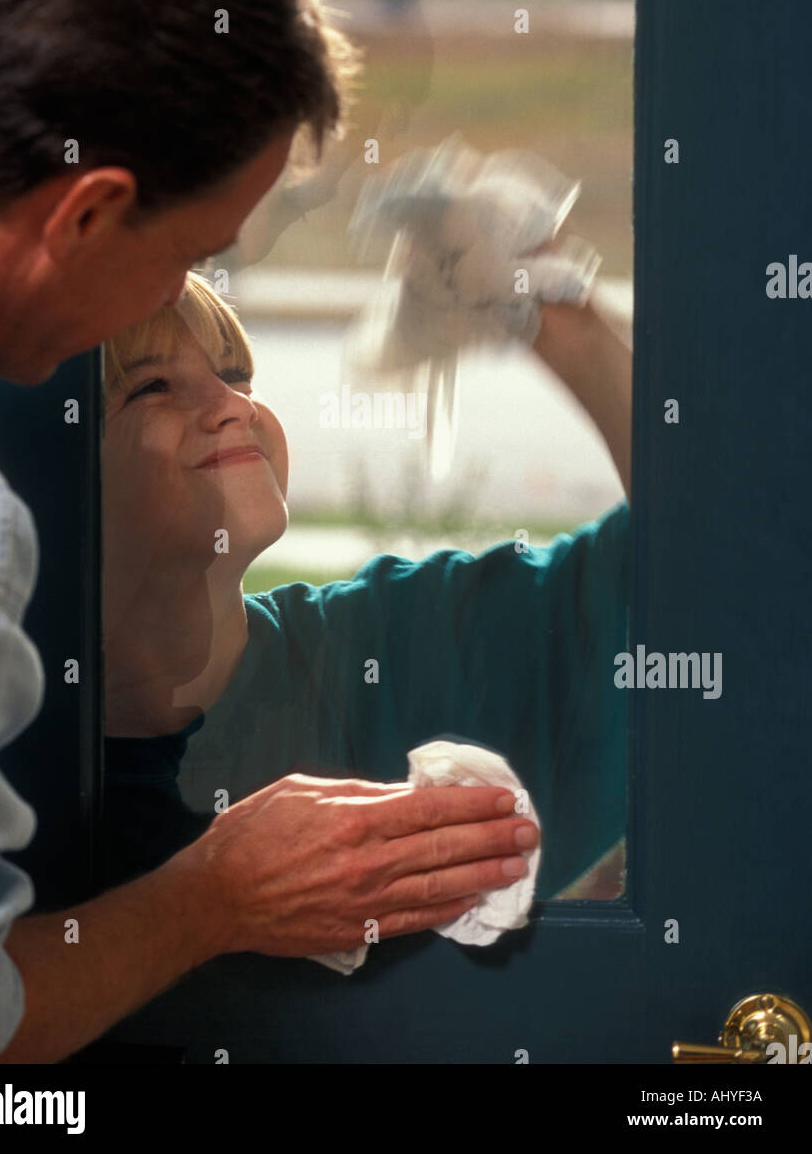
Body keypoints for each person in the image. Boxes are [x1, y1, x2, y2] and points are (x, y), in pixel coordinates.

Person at [0, 0, 536, 1066]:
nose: (186, 312)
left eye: (239, 367)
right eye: (182, 256)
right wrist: (217, 896)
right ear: (89, 210)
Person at [100, 272, 631, 906]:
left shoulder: (390, 647)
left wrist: (551, 302)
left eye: (238, 376)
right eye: (153, 387)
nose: (237, 405)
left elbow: (708, 553)